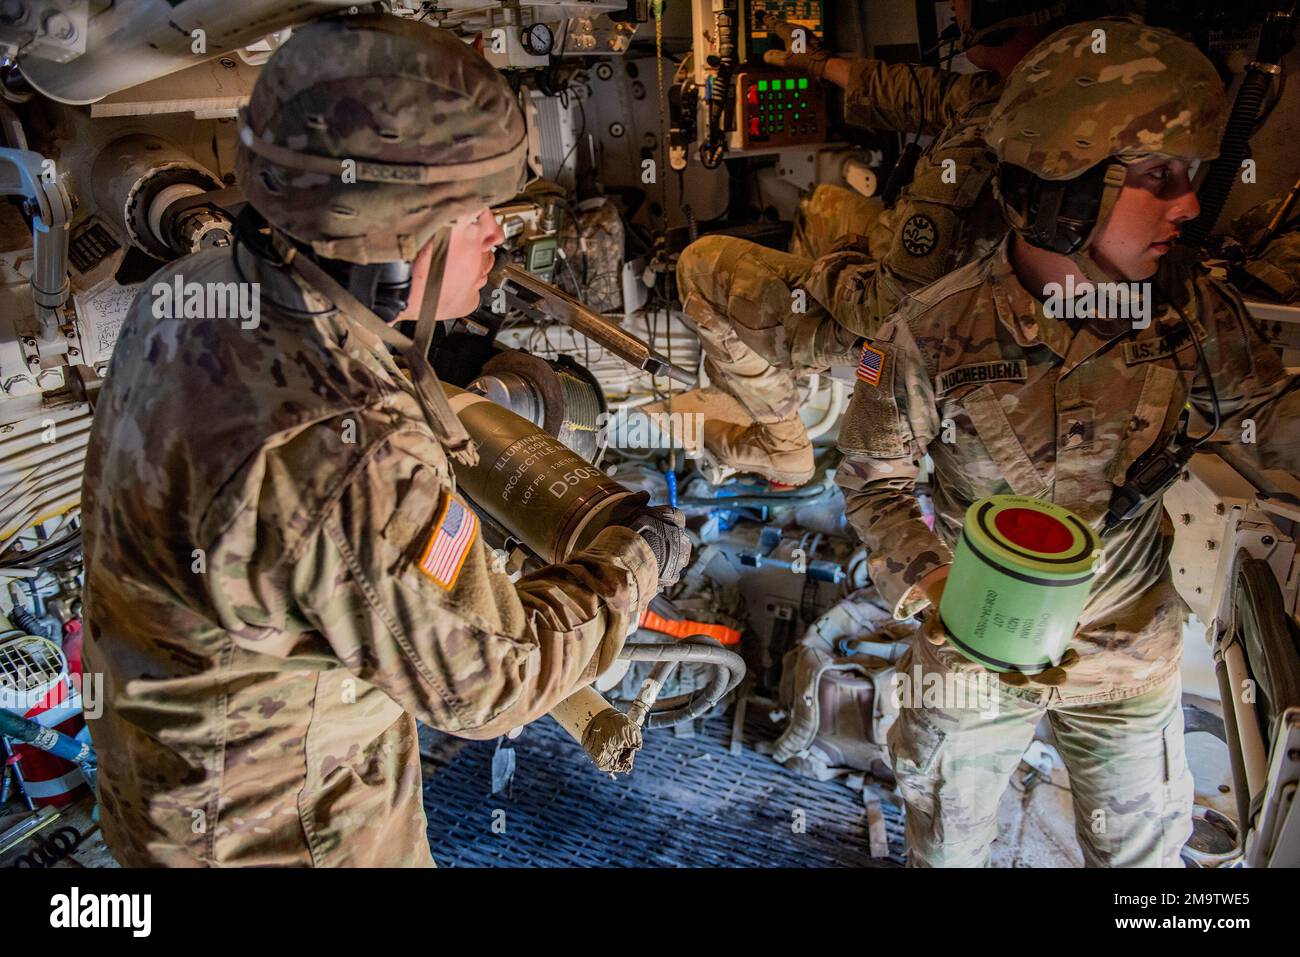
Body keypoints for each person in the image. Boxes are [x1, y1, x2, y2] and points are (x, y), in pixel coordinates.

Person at [81, 14, 686, 867]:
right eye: (473, 210)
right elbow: (490, 683)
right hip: (278, 836)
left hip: (174, 786)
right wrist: (634, 566)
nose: (499, 233)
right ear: (392, 240)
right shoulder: (343, 452)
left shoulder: (196, 286)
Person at [835, 18, 1300, 867]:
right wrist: (934, 587)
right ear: (1066, 192)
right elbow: (872, 483)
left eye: (1189, 178)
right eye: (1158, 178)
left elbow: (1279, 426)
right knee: (946, 851)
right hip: (972, 651)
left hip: (1129, 654)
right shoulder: (925, 335)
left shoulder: (1192, 314)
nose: (1188, 204)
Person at [675, 1, 1070, 485]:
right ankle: (786, 355)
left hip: (913, 335)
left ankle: (780, 443)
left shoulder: (972, 161)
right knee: (824, 205)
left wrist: (839, 263)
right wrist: (821, 65)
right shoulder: (1028, 88)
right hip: (938, 291)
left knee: (700, 263)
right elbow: (928, 95)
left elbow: (883, 311)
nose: (952, 10)